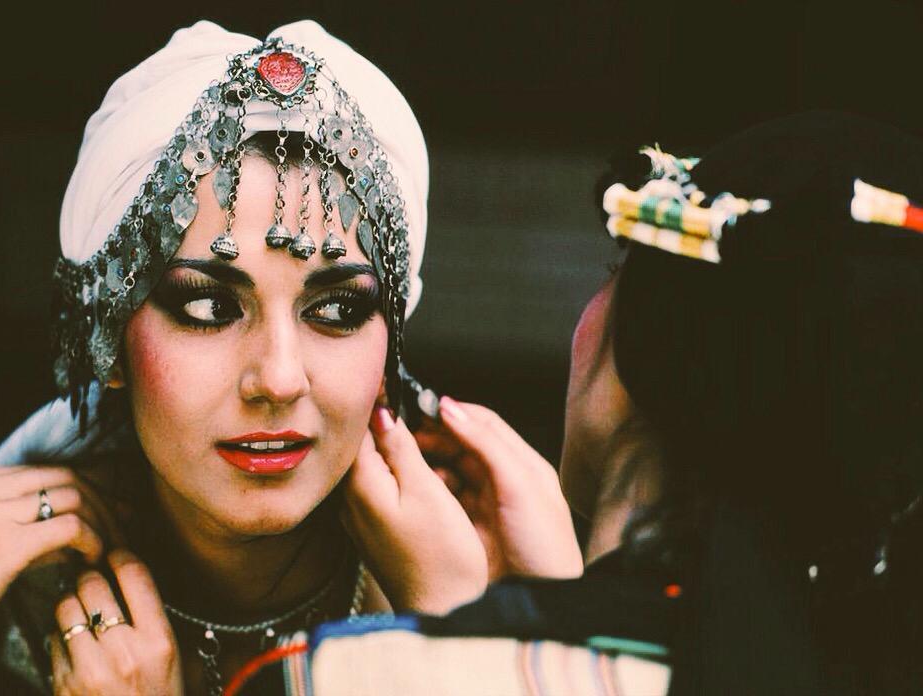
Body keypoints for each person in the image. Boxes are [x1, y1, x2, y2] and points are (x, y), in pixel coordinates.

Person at [0, 20, 489, 695]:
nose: (277, 378)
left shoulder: (481, 578)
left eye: (337, 311)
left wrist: (464, 628)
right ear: (109, 338)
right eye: (209, 308)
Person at [279, 112, 923, 696]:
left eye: (614, 275)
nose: (280, 380)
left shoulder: (341, 679)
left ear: (650, 335)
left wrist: (459, 638)